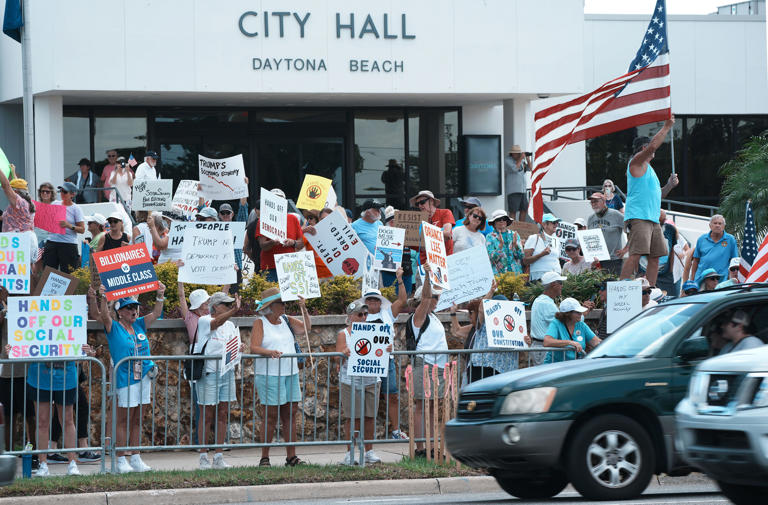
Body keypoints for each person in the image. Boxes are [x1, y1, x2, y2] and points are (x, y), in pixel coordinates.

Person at [88, 283, 167, 474]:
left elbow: (156, 313)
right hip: (124, 378)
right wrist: (104, 298)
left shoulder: (139, 324)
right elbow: (105, 315)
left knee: (138, 418)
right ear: (120, 312)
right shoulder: (113, 327)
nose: (134, 310)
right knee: (123, 419)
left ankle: (136, 457)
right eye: (129, 308)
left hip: (143, 377)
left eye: (135, 307)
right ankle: (121, 458)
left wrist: (160, 294)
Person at [250, 287, 310, 467]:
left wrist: (304, 309)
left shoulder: (286, 320)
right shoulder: (260, 323)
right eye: (281, 303)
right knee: (271, 415)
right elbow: (253, 347)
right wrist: (270, 352)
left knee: (290, 414)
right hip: (270, 374)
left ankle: (291, 457)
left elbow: (306, 328)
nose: (284, 306)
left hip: (289, 372)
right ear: (271, 306)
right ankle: (264, 457)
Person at [620, 116, 679, 286]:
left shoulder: (649, 169)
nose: (654, 150)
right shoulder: (635, 162)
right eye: (650, 147)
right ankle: (621, 289)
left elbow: (659, 196)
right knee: (636, 254)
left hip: (653, 219)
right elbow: (654, 145)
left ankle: (650, 290)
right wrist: (667, 126)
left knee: (656, 257)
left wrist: (669, 185)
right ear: (644, 148)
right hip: (639, 217)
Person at [358, 271, 409, 440]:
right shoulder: (360, 317)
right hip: (367, 362)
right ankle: (364, 433)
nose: (372, 302)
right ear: (365, 302)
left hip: (386, 361)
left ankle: (395, 431)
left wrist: (400, 280)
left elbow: (402, 301)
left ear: (380, 302)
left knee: (392, 395)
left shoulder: (387, 313)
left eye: (375, 299)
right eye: (370, 299)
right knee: (366, 397)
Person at [195, 292, 242, 469]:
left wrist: (239, 348)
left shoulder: (230, 325)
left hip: (226, 372)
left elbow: (232, 344)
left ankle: (219, 456)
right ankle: (203, 456)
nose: (229, 306)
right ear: (215, 306)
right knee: (206, 414)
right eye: (226, 304)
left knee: (222, 413)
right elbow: (216, 323)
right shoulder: (204, 320)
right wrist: (234, 311)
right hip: (209, 373)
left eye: (230, 304)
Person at [336, 301, 385, 465]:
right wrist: (343, 353)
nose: (363, 317)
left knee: (370, 417)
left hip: (371, 379)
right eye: (360, 314)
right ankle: (350, 454)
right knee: (353, 418)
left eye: (365, 314)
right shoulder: (344, 334)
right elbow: (336, 357)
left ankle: (369, 451)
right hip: (351, 381)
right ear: (350, 317)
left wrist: (388, 349)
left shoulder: (374, 331)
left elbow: (382, 350)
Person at [407, 265, 447, 458]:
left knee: (431, 407)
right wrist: (428, 278)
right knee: (422, 406)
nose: (437, 300)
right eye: (435, 298)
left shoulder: (434, 317)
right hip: (425, 363)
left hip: (437, 365)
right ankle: (421, 447)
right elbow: (425, 298)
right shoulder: (419, 316)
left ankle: (431, 446)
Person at [178, 282, 210, 446]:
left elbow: (223, 300)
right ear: (198, 306)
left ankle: (218, 441)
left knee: (217, 403)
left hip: (211, 359)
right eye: (206, 302)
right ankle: (200, 442)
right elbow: (181, 298)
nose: (208, 305)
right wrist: (180, 279)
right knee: (200, 404)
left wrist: (230, 278)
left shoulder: (211, 316)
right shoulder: (190, 317)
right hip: (198, 362)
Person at [256, 189, 305, 282]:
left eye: (280, 200)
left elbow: (301, 243)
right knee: (272, 296)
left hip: (290, 266)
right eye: (275, 199)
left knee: (291, 296)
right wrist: (272, 242)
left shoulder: (293, 219)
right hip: (270, 267)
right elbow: (262, 246)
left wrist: (293, 242)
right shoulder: (263, 220)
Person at [42, 182, 85, 273]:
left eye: (65, 192)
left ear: (72, 194)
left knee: (68, 273)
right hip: (52, 241)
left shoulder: (76, 208)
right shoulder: (55, 203)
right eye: (61, 191)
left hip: (68, 244)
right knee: (47, 272)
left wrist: (68, 225)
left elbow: (82, 229)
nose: (62, 193)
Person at [543, 298, 601, 363]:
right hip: (554, 367)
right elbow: (547, 341)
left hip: (573, 367)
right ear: (568, 314)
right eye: (577, 312)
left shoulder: (581, 325)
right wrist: (570, 342)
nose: (581, 314)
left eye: (580, 312)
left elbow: (596, 342)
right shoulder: (556, 323)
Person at [529, 272, 566, 366]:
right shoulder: (546, 303)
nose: (562, 286)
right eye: (560, 283)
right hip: (544, 348)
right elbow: (565, 322)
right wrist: (583, 314)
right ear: (553, 284)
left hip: (540, 347)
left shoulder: (540, 300)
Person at [690, 215, 738, 284]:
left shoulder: (730, 239)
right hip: (701, 279)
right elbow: (696, 261)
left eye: (720, 223)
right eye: (715, 223)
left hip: (721, 281)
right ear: (710, 225)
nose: (717, 225)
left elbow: (734, 261)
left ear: (724, 226)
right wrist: (692, 279)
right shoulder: (701, 239)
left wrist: (730, 279)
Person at [409, 190, 454, 263]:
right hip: (424, 264)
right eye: (417, 204)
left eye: (422, 202)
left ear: (431, 201)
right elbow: (421, 247)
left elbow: (447, 233)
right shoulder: (418, 220)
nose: (420, 206)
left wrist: (426, 233)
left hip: (444, 262)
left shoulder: (445, 213)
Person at [587, 192, 625, 275]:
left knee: (613, 286)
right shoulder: (590, 219)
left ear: (604, 201)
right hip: (597, 261)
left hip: (614, 260)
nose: (594, 204)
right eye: (592, 202)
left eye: (596, 201)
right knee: (598, 287)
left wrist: (626, 249)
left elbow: (632, 230)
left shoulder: (616, 214)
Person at [524, 213, 561, 281]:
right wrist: (541, 254)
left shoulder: (556, 240)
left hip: (555, 276)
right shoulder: (534, 238)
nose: (556, 225)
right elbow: (525, 261)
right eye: (553, 222)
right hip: (539, 277)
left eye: (557, 222)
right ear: (544, 224)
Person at [486, 209, 524, 275]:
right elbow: (491, 259)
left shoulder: (514, 234)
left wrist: (515, 245)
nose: (502, 221)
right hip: (499, 276)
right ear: (494, 222)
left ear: (507, 221)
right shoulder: (489, 237)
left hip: (516, 275)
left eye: (504, 219)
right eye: (499, 219)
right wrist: (500, 246)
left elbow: (521, 256)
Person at [0, 168, 35, 234]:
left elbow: (6, 186)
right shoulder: (26, 201)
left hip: (19, 241)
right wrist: (13, 173)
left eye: (11, 190)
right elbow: (18, 184)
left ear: (15, 191)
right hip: (21, 240)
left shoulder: (20, 203)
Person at [301, 209, 332, 280]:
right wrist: (302, 231)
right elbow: (297, 247)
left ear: (317, 219)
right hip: (315, 275)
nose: (308, 221)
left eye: (311, 218)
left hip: (332, 273)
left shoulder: (333, 231)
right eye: (307, 218)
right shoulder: (307, 233)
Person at [504, 145, 531, 222]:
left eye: (519, 153)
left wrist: (528, 159)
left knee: (524, 209)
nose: (518, 155)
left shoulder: (521, 160)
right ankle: (513, 228)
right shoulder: (508, 160)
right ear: (512, 153)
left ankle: (521, 229)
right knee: (513, 211)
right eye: (516, 153)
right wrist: (521, 158)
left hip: (522, 190)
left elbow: (530, 168)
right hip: (514, 190)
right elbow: (515, 169)